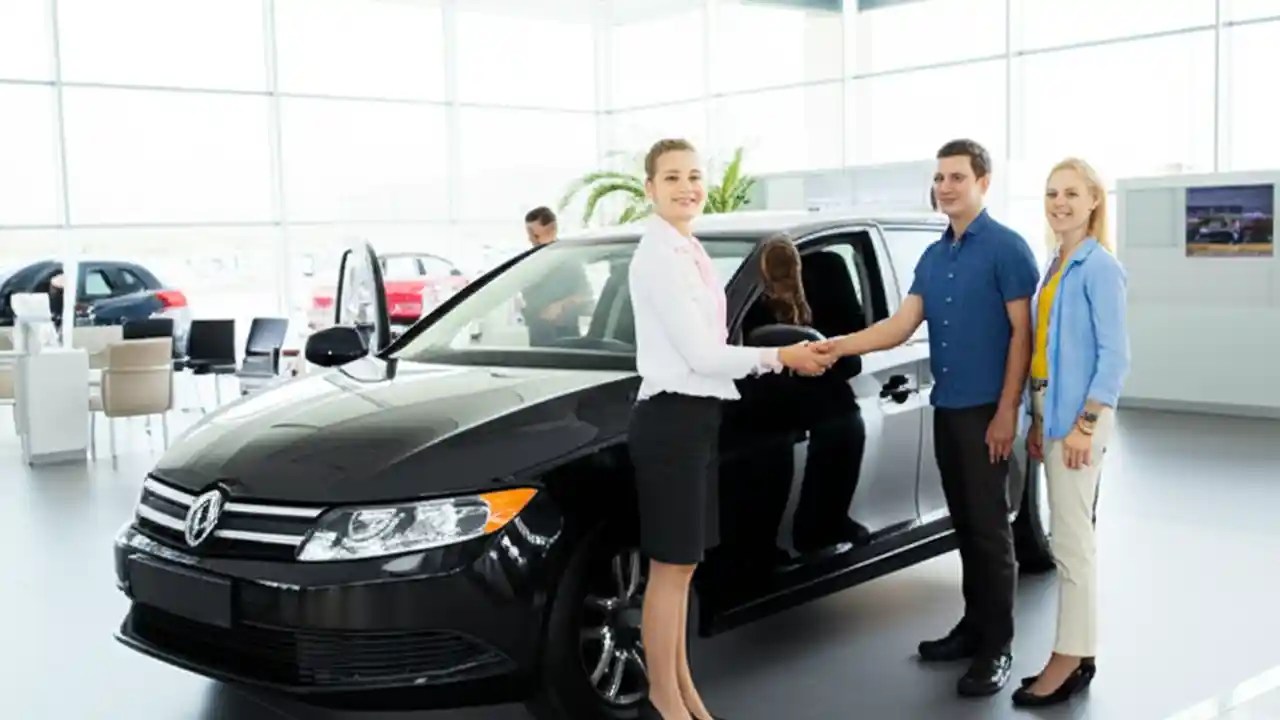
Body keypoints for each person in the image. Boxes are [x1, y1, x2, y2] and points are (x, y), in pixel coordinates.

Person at [816, 138, 1040, 697]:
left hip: (988, 410)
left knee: (991, 532)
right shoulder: (935, 255)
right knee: (965, 526)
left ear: (983, 182)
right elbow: (898, 326)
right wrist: (836, 346)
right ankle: (971, 628)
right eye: (939, 178)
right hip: (947, 410)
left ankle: (997, 647)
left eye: (956, 177)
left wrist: (1008, 410)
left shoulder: (1008, 249)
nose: (944, 187)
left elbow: (1022, 334)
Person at [627, 138, 833, 720]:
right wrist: (779, 359)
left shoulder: (687, 247)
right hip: (671, 418)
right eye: (672, 178)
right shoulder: (658, 255)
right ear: (650, 188)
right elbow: (701, 353)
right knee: (668, 570)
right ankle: (664, 700)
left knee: (684, 567)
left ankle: (684, 691)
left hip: (695, 420)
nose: (686, 186)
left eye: (694, 176)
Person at [1012, 158, 1129, 708]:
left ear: (1093, 202)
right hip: (1052, 411)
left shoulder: (1099, 266)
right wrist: (1038, 421)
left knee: (1071, 542)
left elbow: (1115, 357)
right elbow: (1044, 352)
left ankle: (1071, 657)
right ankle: (1075, 651)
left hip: (1082, 416)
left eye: (1071, 194)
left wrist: (1083, 424)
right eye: (1052, 193)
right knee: (1069, 536)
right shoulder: (1056, 262)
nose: (1059, 202)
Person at [520, 206, 592, 346]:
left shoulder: (569, 260)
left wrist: (561, 306)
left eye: (535, 235)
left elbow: (586, 295)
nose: (531, 239)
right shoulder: (529, 262)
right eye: (529, 234)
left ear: (552, 229)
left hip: (564, 336)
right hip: (536, 334)